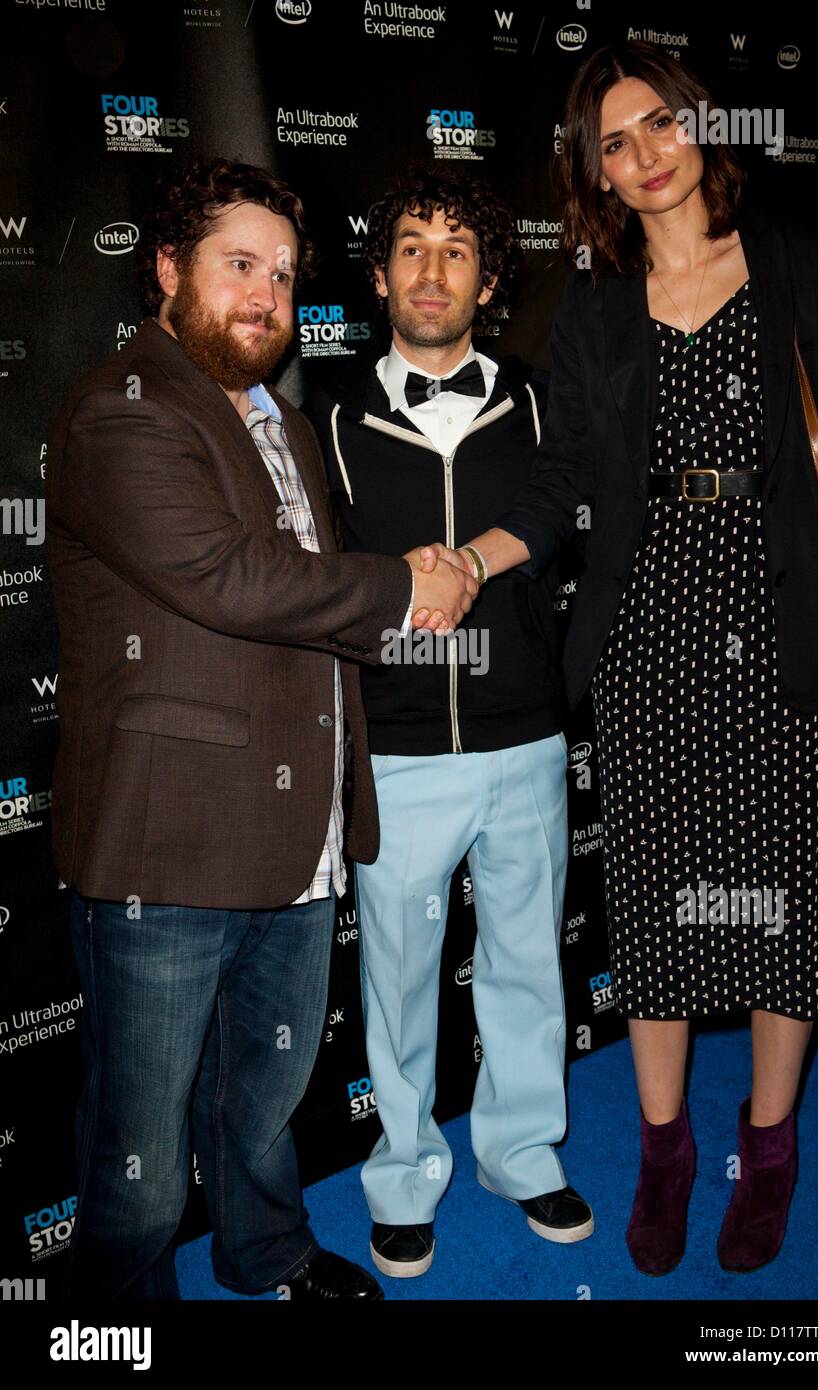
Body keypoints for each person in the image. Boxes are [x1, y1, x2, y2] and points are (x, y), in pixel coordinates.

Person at [412, 42, 818, 1276]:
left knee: (785, 898)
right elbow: (565, 487)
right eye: (614, 143)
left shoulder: (794, 257)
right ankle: (664, 1147)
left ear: (700, 126)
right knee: (662, 903)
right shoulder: (598, 306)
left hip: (777, 606)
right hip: (650, 622)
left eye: (658, 125)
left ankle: (767, 1146)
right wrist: (473, 558)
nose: (643, 155)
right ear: (597, 176)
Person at [45, 156, 476, 1301]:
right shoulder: (118, 410)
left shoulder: (280, 420)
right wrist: (404, 587)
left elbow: (299, 607)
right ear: (169, 269)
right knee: (137, 1169)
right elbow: (230, 579)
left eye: (284, 275)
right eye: (240, 265)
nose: (266, 296)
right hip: (167, 853)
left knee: (265, 1098)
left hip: (297, 835)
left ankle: (268, 1251)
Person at [305, 166, 593, 1279]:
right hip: (399, 747)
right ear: (379, 279)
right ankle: (404, 1170)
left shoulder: (535, 398)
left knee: (527, 964)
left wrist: (472, 562)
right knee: (399, 978)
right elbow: (307, 567)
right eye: (412, 248)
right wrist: (401, 578)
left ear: (488, 282)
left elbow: (566, 508)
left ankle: (524, 1153)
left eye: (458, 250)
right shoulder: (324, 414)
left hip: (522, 736)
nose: (433, 269)